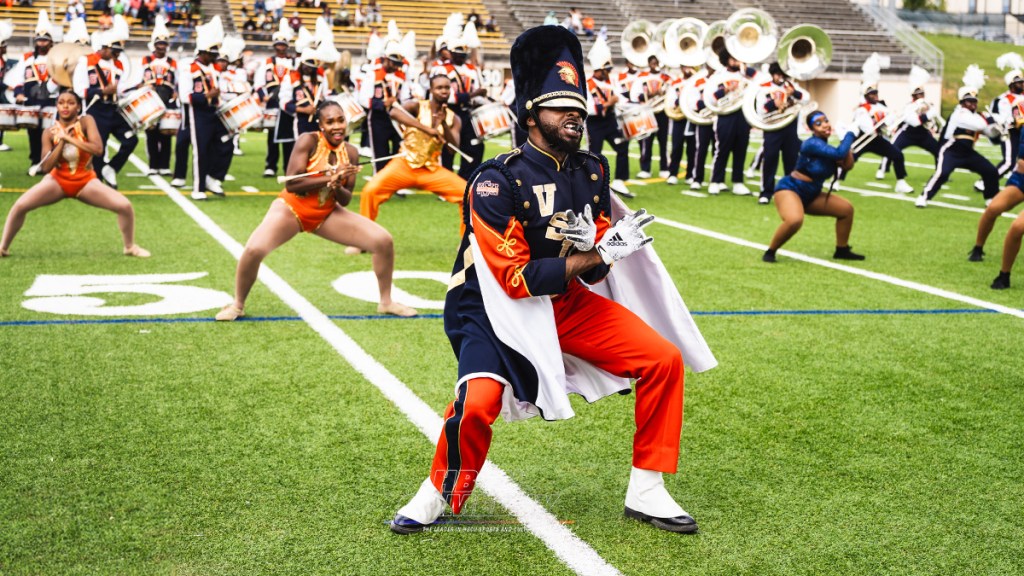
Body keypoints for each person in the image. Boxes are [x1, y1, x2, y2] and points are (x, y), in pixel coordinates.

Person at [390, 25, 716, 536]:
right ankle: (437, 490)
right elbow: (516, 279)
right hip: (493, 307)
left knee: (663, 360)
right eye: (559, 105)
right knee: (476, 404)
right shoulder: (496, 179)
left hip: (563, 303)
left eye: (579, 106)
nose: (575, 115)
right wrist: (594, 255)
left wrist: (608, 251)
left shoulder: (591, 170)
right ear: (529, 114)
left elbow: (599, 263)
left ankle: (647, 488)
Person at [214, 100, 416, 321]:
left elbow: (346, 199)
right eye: (330, 122)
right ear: (320, 125)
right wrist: (330, 176)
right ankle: (238, 304)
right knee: (253, 250)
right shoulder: (308, 140)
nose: (336, 126)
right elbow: (292, 184)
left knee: (383, 241)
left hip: (326, 213)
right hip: (291, 210)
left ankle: (386, 302)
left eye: (340, 120)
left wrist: (338, 184)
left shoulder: (351, 152)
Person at [1, 90, 150, 258]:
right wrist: (62, 140)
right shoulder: (49, 132)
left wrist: (72, 139)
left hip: (85, 181)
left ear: (78, 107)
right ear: (57, 106)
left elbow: (98, 149)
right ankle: (3, 247)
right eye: (61, 102)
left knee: (125, 207)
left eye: (70, 103)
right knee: (20, 206)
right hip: (57, 181)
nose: (65, 106)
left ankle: (129, 247)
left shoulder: (87, 122)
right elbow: (46, 167)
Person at [358, 74, 465, 224]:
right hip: (404, 163)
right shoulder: (417, 106)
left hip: (431, 168)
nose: (444, 91)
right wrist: (426, 129)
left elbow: (452, 149)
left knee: (468, 195)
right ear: (431, 90)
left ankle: (468, 242)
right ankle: (362, 238)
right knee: (370, 191)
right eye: (439, 87)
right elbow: (394, 112)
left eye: (447, 87)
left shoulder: (454, 118)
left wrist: (444, 125)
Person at [762, 111, 864, 263]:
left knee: (846, 210)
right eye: (818, 123)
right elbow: (838, 154)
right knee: (795, 220)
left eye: (826, 120)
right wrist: (850, 134)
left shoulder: (827, 147)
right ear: (812, 129)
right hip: (791, 188)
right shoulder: (811, 144)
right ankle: (770, 251)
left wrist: (844, 140)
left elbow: (848, 165)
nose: (824, 125)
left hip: (812, 193)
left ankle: (842, 249)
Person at [72, 16, 136, 189]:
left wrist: (136, 87)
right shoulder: (86, 62)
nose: (117, 54)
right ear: (104, 48)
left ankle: (112, 167)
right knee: (98, 147)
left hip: (113, 110)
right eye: (114, 50)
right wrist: (101, 92)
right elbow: (80, 90)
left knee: (131, 139)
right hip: (95, 110)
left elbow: (120, 88)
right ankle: (97, 181)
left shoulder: (119, 65)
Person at [914, 86, 1000, 209]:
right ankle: (924, 196)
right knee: (942, 173)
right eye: (969, 101)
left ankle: (990, 198)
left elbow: (990, 132)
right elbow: (980, 125)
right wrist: (991, 120)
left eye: (974, 101)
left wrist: (997, 128)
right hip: (951, 150)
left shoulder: (975, 116)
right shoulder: (960, 113)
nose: (972, 104)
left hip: (967, 152)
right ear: (962, 103)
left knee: (990, 171)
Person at [185, 16, 231, 200]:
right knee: (202, 150)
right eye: (211, 54)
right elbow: (185, 95)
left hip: (214, 112)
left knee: (224, 143)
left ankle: (213, 177)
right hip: (199, 113)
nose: (214, 58)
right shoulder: (188, 68)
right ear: (203, 52)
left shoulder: (214, 69)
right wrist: (206, 96)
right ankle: (198, 187)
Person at [840, 83, 914, 194]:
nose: (875, 95)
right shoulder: (862, 109)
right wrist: (879, 125)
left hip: (876, 139)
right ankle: (837, 180)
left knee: (897, 155)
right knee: (850, 159)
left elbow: (890, 118)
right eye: (872, 94)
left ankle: (901, 182)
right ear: (866, 96)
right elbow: (866, 127)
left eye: (876, 93)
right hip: (863, 139)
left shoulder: (882, 107)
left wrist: (889, 120)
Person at [704, 48, 757, 195]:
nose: (736, 60)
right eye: (732, 57)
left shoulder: (746, 75)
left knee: (741, 149)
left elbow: (761, 81)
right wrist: (726, 90)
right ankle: (716, 181)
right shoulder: (718, 76)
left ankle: (738, 182)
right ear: (726, 59)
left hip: (743, 115)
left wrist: (747, 71)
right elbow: (710, 99)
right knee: (722, 149)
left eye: (738, 57)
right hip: (725, 115)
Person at [11, 11, 59, 172]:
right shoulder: (26, 58)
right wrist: (18, 93)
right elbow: (18, 78)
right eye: (39, 40)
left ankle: (51, 162)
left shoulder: (56, 57)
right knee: (33, 133)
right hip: (31, 100)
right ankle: (35, 162)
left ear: (51, 42)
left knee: (51, 133)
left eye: (45, 40)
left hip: (51, 99)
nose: (41, 43)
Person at [584, 36, 632, 198]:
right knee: (594, 154)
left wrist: (620, 102)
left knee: (622, 145)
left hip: (610, 122)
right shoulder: (587, 83)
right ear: (600, 68)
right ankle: (593, 185)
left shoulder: (611, 82)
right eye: (607, 69)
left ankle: (619, 181)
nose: (610, 72)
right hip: (595, 124)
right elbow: (587, 107)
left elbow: (621, 99)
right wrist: (606, 104)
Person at [756, 63, 807, 205]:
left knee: (791, 160)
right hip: (772, 128)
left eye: (783, 75)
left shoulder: (791, 86)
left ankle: (791, 192)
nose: (781, 78)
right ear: (773, 74)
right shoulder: (764, 87)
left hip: (790, 128)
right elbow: (761, 109)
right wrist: (774, 103)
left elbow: (806, 99)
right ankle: (766, 192)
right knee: (770, 159)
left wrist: (793, 93)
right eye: (778, 74)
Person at [254, 19, 295, 177]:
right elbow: (258, 83)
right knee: (272, 136)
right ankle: (270, 165)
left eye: (283, 45)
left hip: (288, 104)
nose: (281, 48)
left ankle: (288, 167)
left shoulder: (293, 63)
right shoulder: (266, 62)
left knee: (287, 136)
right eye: (278, 45)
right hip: (271, 102)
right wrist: (263, 97)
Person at [359, 39, 407, 173]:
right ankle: (379, 182)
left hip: (396, 117)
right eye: (393, 63)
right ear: (386, 59)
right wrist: (382, 104)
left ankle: (396, 181)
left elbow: (405, 96)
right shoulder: (373, 73)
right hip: (378, 117)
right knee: (380, 153)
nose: (395, 66)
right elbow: (363, 98)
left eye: (398, 64)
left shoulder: (401, 75)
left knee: (399, 150)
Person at [877, 79, 940, 180]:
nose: (921, 97)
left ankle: (940, 172)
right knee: (892, 148)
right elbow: (915, 122)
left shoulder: (927, 105)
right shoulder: (909, 107)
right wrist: (928, 114)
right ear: (913, 96)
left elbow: (934, 122)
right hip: (907, 133)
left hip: (923, 134)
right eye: (918, 94)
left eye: (922, 94)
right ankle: (882, 169)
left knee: (938, 150)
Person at [140, 18, 177, 175]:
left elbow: (177, 81)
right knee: (151, 133)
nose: (161, 47)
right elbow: (139, 79)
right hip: (150, 98)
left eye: (164, 44)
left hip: (167, 98)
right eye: (159, 44)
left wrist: (176, 92)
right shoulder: (145, 60)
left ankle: (165, 165)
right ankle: (153, 165)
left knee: (166, 133)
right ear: (154, 45)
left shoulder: (173, 62)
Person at [631, 54, 671, 179]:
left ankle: (664, 167)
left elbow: (672, 94)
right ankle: (645, 168)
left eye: (656, 62)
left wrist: (664, 93)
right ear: (649, 63)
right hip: (648, 112)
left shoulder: (666, 77)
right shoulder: (642, 77)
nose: (655, 65)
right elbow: (634, 95)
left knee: (663, 141)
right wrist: (652, 93)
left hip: (662, 113)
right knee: (646, 141)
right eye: (652, 63)